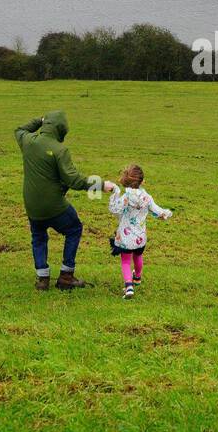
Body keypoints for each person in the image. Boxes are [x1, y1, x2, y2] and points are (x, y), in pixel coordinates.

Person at [15, 110, 105, 290]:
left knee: (38, 236)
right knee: (74, 228)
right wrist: (100, 185)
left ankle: (42, 278)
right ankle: (66, 276)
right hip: (54, 206)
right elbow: (73, 179)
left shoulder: (28, 141)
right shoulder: (60, 149)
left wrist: (39, 121)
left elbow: (19, 130)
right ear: (61, 129)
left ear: (46, 124)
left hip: (32, 205)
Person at [107, 164, 173, 299]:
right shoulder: (147, 198)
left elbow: (115, 209)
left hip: (125, 238)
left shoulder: (126, 197)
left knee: (125, 261)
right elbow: (157, 210)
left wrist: (115, 192)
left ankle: (128, 286)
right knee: (138, 256)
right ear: (142, 181)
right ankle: (137, 277)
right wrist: (165, 214)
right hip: (140, 237)